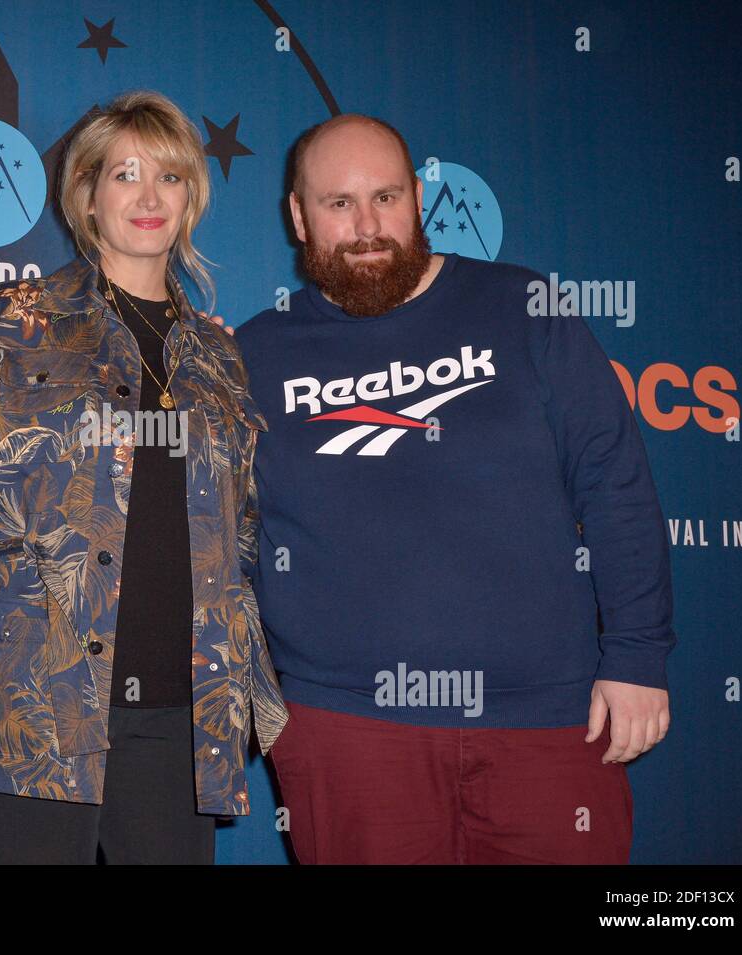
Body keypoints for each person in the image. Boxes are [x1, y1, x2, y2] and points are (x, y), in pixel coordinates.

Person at [236, 114, 674, 864]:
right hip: (348, 731)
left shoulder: (525, 308)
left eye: (387, 197)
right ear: (298, 217)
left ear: (419, 199)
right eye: (338, 203)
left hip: (548, 720)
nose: (367, 225)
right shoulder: (252, 354)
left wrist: (636, 655)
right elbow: (223, 542)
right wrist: (269, 709)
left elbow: (615, 485)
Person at [0, 90, 287, 864]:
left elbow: (246, 532)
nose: (149, 195)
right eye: (125, 174)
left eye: (169, 176)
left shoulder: (220, 358)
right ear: (88, 194)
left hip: (181, 705)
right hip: (36, 694)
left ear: (191, 196)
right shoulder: (7, 322)